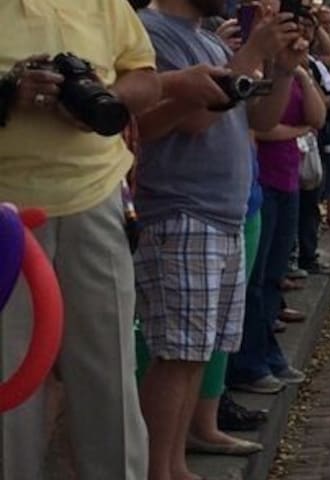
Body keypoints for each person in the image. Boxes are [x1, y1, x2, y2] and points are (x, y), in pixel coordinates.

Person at [133, 0, 304, 477]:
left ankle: (174, 465)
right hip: (182, 211)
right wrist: (251, 51)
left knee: (195, 355)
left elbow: (260, 120)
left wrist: (285, 70)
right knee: (177, 354)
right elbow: (191, 119)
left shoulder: (207, 38)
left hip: (221, 217)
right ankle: (156, 470)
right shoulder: (151, 32)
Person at [0, 0, 163, 476]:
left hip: (94, 203)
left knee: (109, 378)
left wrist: (105, 94)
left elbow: (146, 77)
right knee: (9, 383)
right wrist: (11, 91)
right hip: (6, 218)